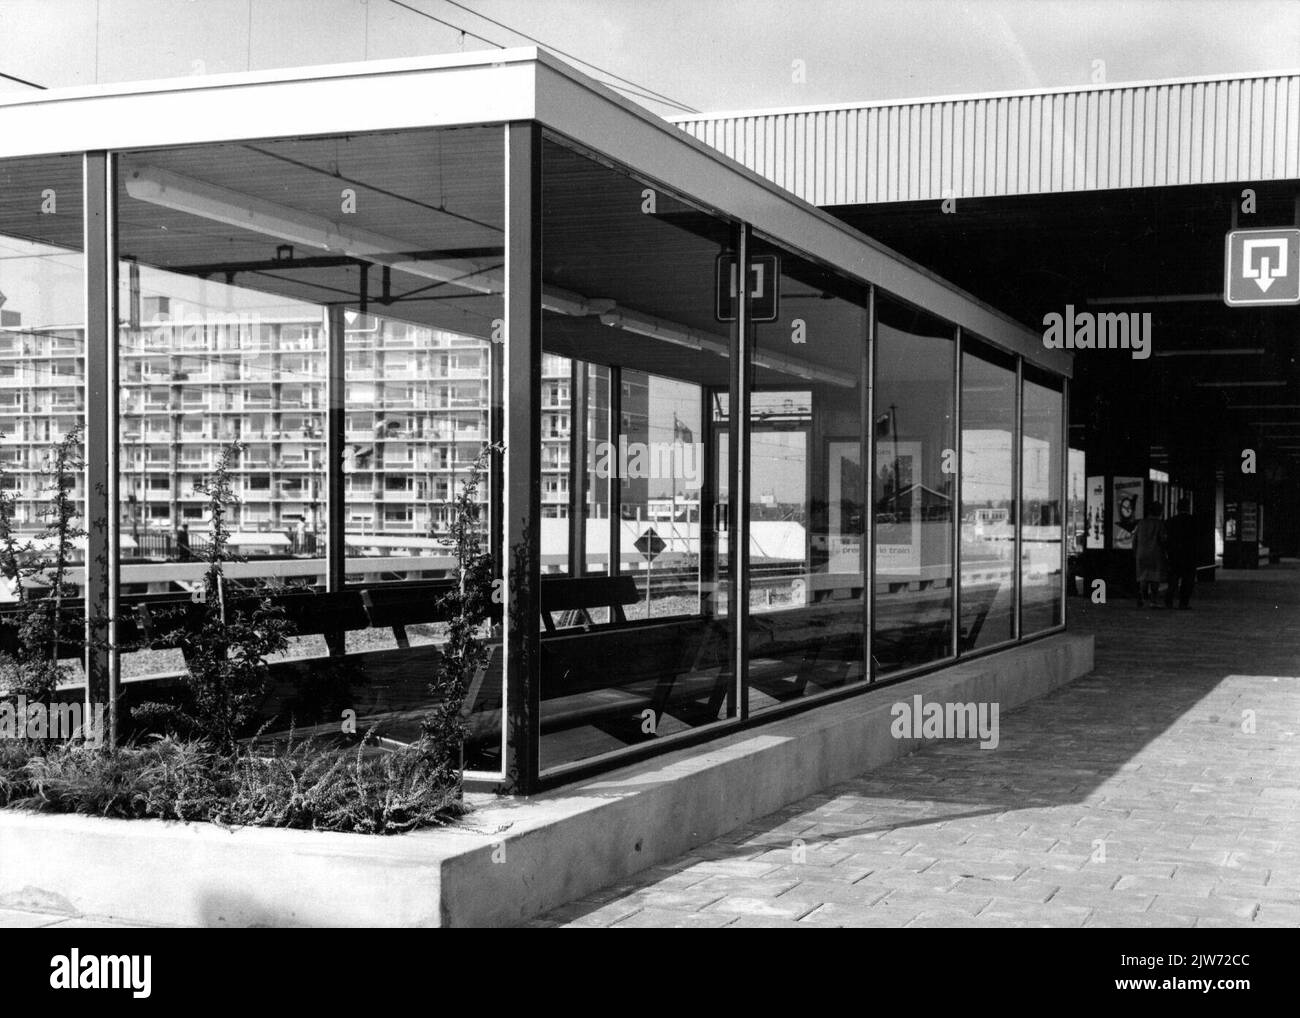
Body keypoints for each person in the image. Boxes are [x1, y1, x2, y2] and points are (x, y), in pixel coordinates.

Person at [1132, 501, 1167, 608]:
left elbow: (1135, 540)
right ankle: (1153, 601)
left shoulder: (1141, 523)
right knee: (1155, 578)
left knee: (1143, 576)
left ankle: (1143, 598)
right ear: (1159, 511)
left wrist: (1135, 551)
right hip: (1155, 554)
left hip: (1141, 553)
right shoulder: (1160, 524)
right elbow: (1163, 539)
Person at [1164, 498, 1197, 609]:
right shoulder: (1193, 521)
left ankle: (1169, 601)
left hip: (1174, 555)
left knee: (1173, 580)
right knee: (1188, 581)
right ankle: (1183, 603)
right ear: (1188, 507)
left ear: (1177, 508)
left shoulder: (1170, 521)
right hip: (1189, 556)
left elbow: (1166, 539)